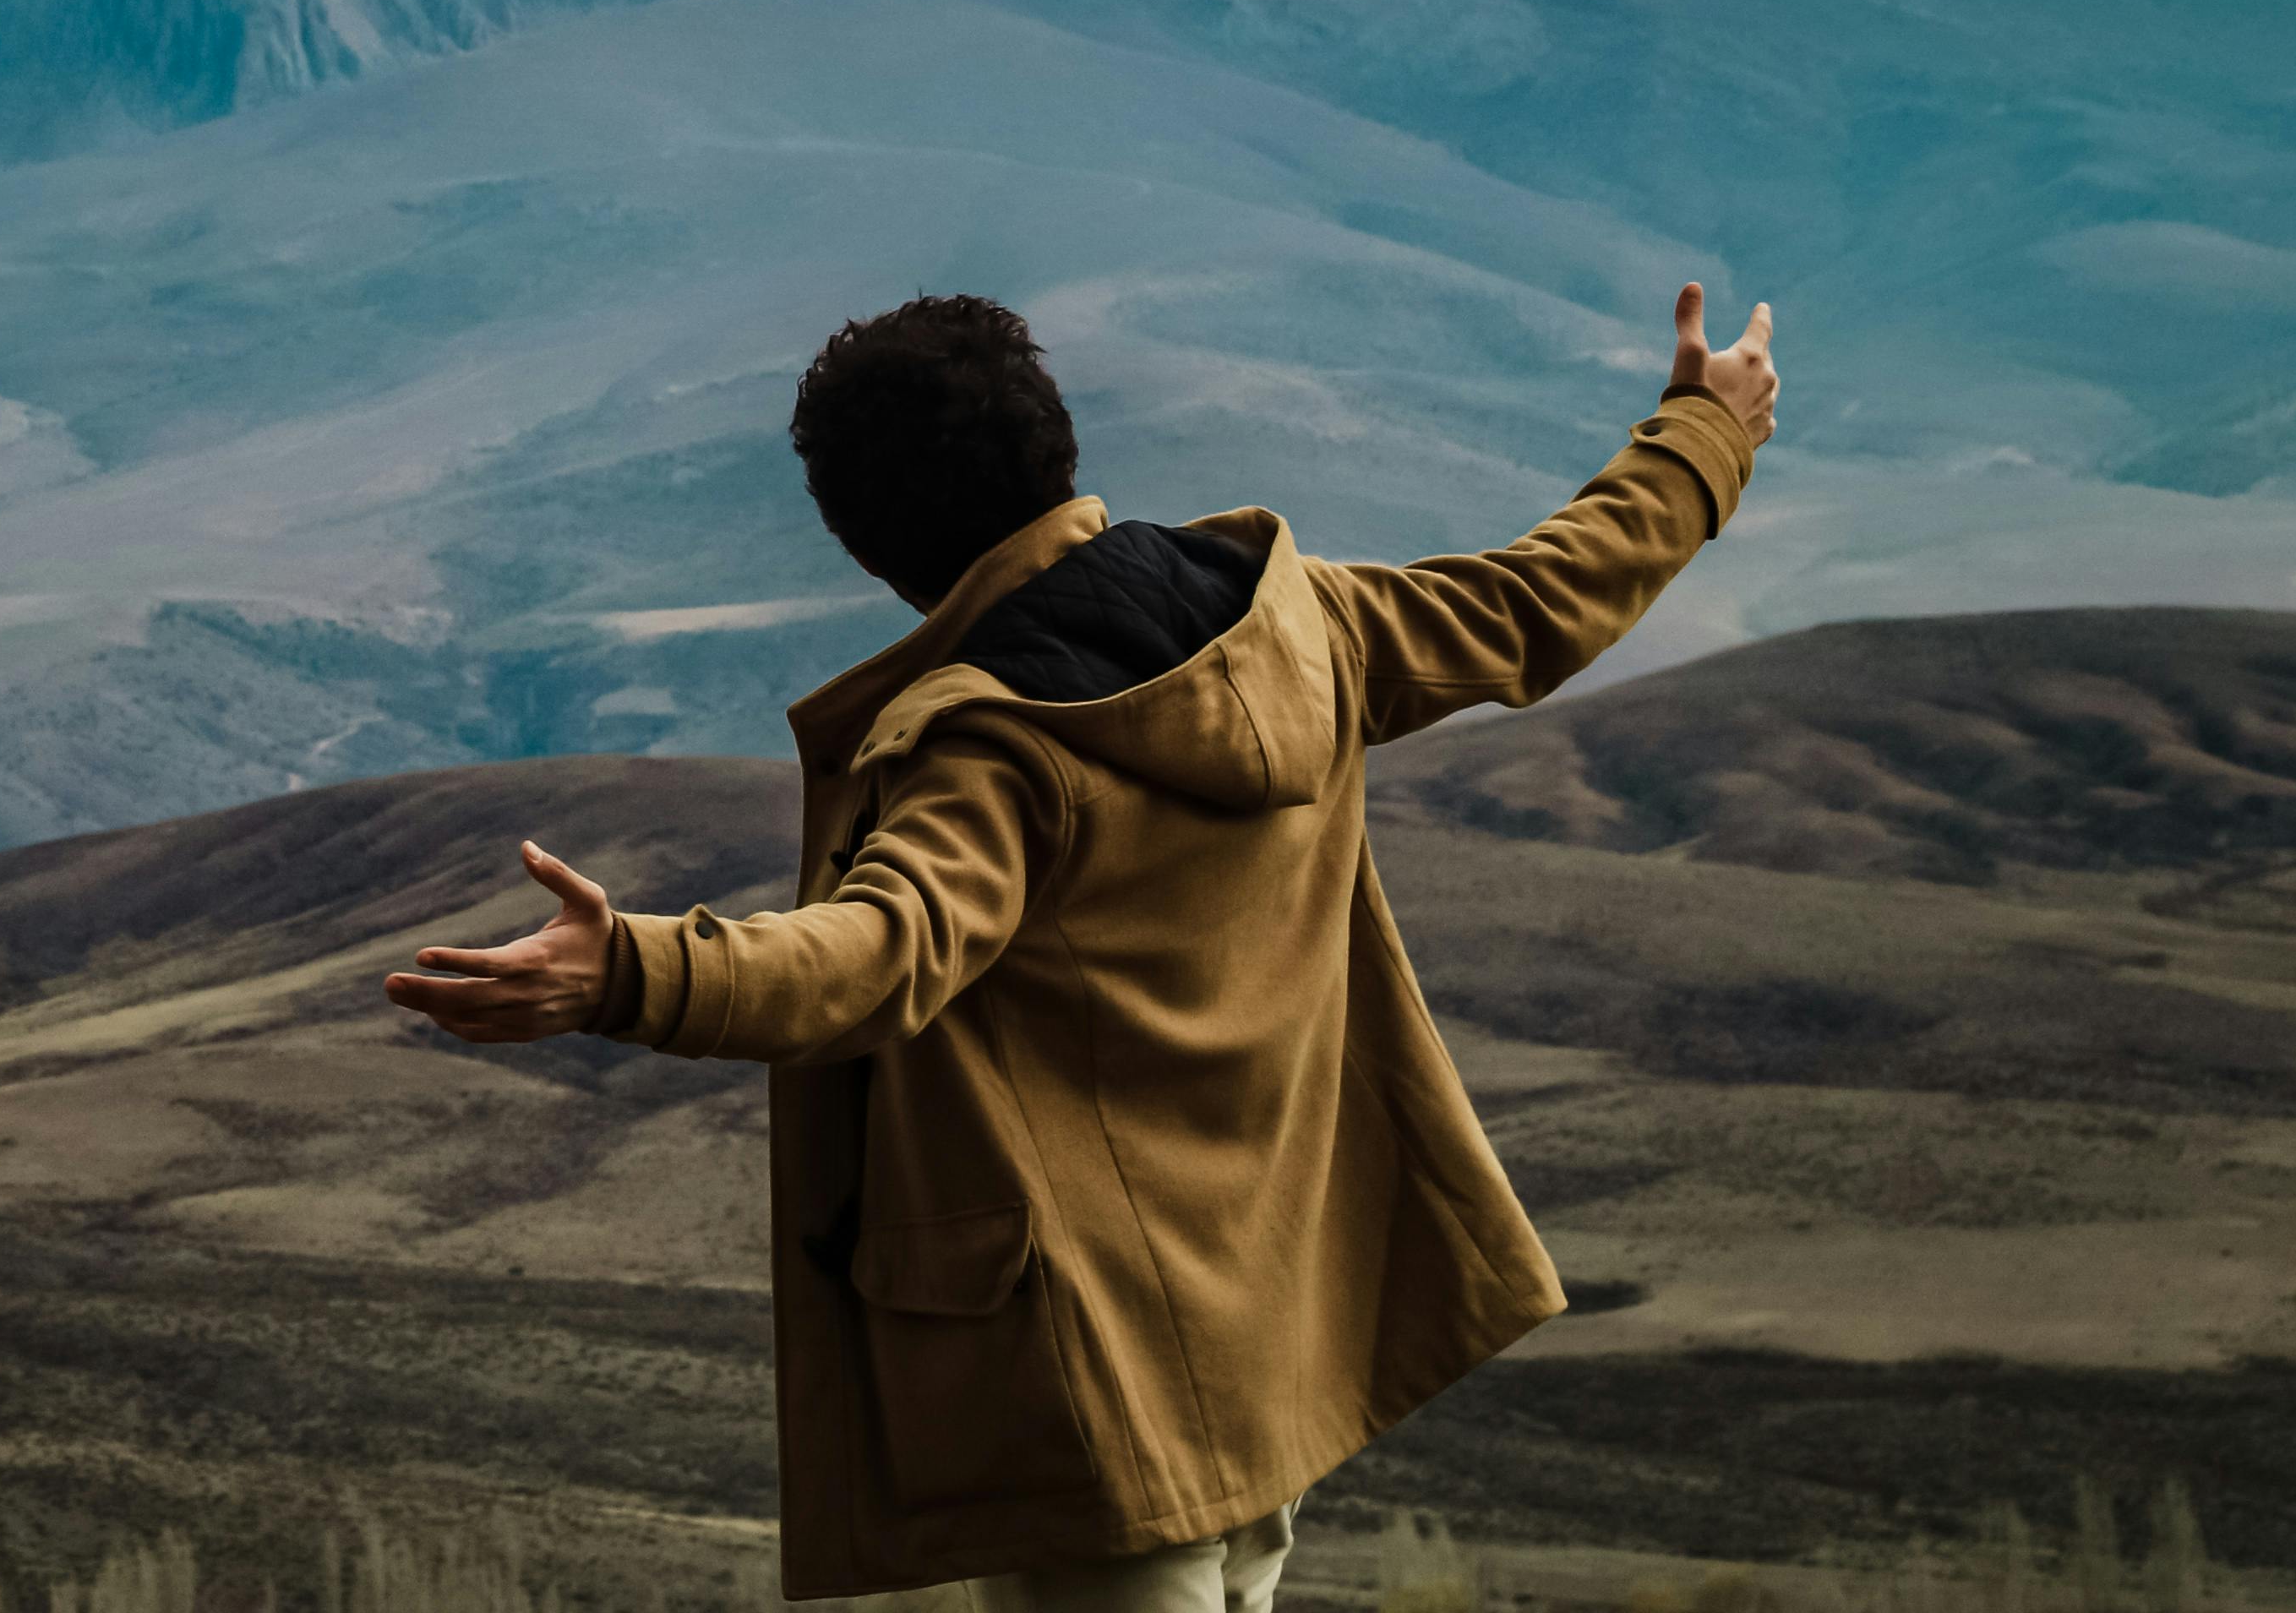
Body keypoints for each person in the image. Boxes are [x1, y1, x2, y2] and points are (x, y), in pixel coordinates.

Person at [383, 283, 1779, 1613]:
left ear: (869, 544)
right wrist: (1703, 433)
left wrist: (630, 969)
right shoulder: (1292, 621)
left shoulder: (993, 747)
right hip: (1268, 1346)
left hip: (1097, 1388)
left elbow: (875, 953)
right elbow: (1541, 600)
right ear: (1054, 440)